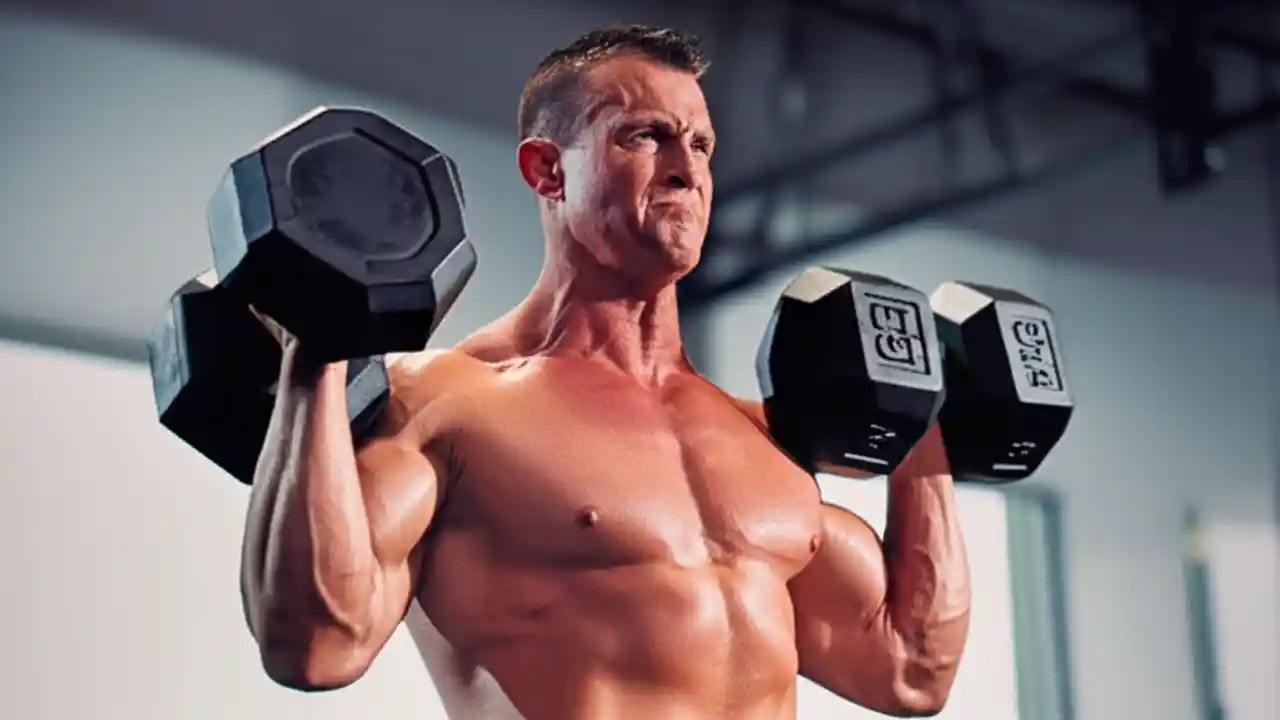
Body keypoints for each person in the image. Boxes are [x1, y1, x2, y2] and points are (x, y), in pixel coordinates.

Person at [239, 24, 971, 720]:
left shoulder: (763, 439)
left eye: (701, 144)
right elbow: (315, 644)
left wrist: (922, 419)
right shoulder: (444, 407)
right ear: (548, 169)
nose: (687, 170)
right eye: (645, 136)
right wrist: (317, 355)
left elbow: (910, 667)